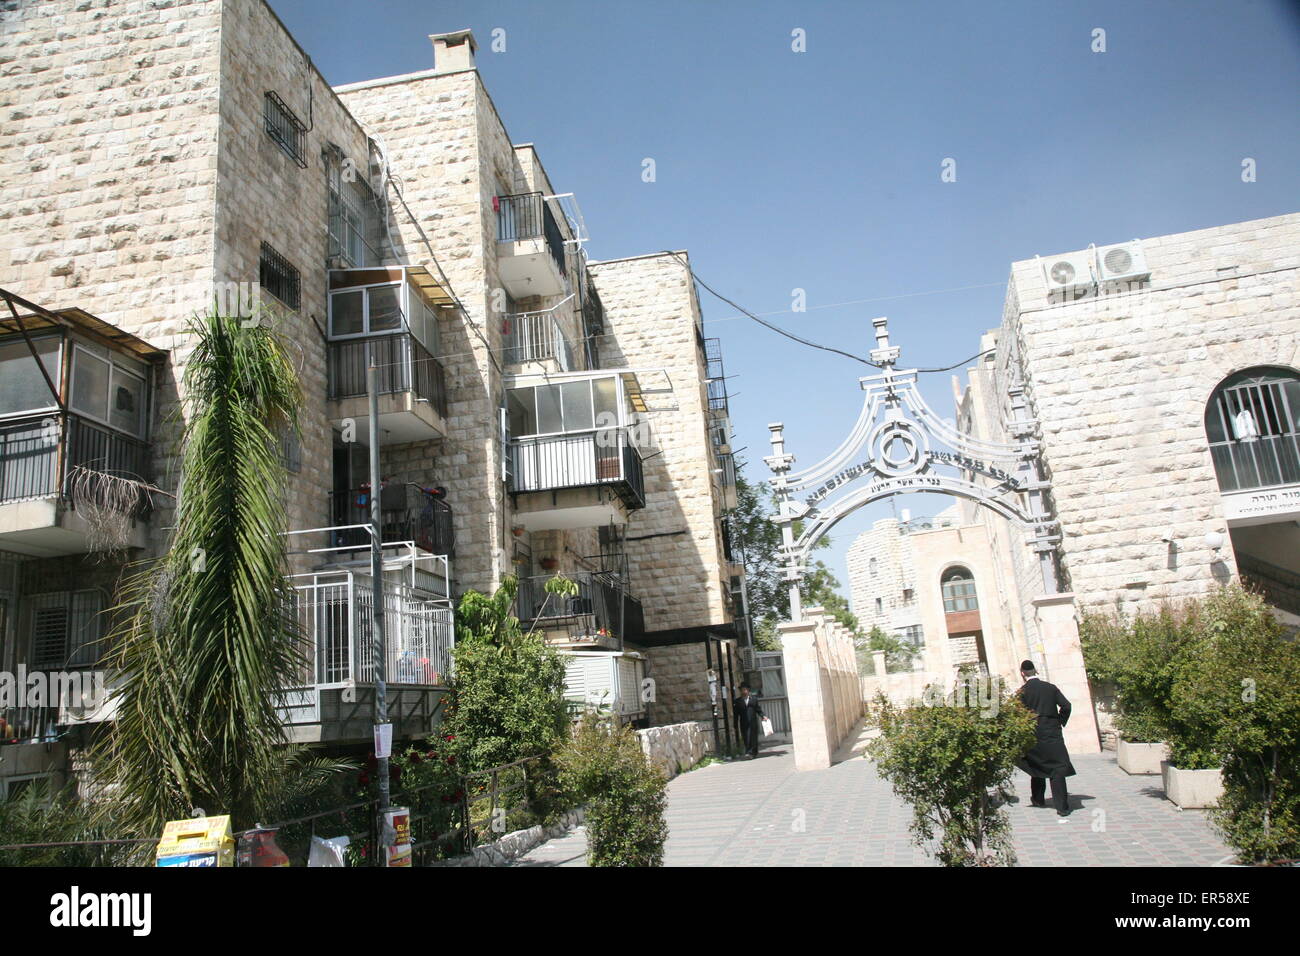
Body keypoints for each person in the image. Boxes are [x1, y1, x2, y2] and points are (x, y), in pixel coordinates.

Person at [1015, 660, 1076, 820]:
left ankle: (1038, 799)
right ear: (1035, 671)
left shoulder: (1022, 692)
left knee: (1036, 765)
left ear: (1022, 673)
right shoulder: (1050, 688)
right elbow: (1066, 706)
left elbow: (1014, 713)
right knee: (1056, 768)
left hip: (1032, 732)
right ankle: (1062, 807)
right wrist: (1059, 721)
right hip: (1052, 732)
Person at [732, 683, 764, 758]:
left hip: (753, 722)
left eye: (745, 689)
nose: (744, 691)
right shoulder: (738, 701)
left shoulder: (753, 699)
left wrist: (763, 716)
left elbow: (758, 709)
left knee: (753, 737)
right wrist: (735, 724)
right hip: (744, 722)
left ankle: (754, 752)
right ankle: (749, 752)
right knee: (746, 737)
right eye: (742, 690)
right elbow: (736, 714)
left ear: (748, 690)